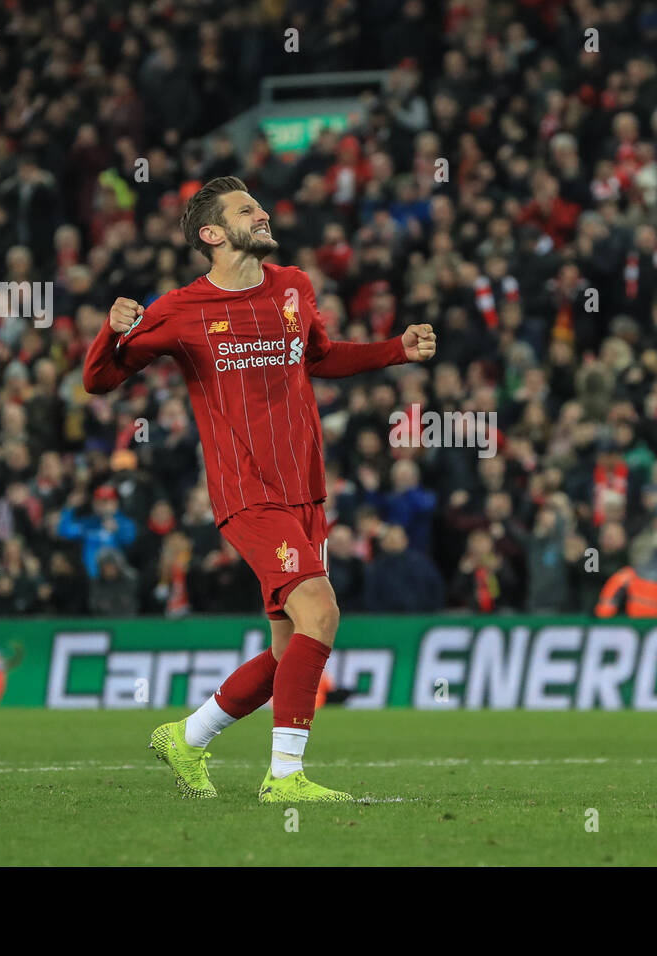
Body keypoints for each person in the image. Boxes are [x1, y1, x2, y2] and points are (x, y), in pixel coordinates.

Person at [83, 176, 436, 803]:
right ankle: (284, 778)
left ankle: (187, 738)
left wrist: (394, 352)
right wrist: (110, 331)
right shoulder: (180, 309)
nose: (264, 213)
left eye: (260, 204)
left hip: (307, 492)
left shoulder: (294, 285)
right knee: (322, 613)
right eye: (248, 210)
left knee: (287, 652)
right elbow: (100, 380)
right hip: (248, 493)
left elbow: (319, 357)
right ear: (212, 234)